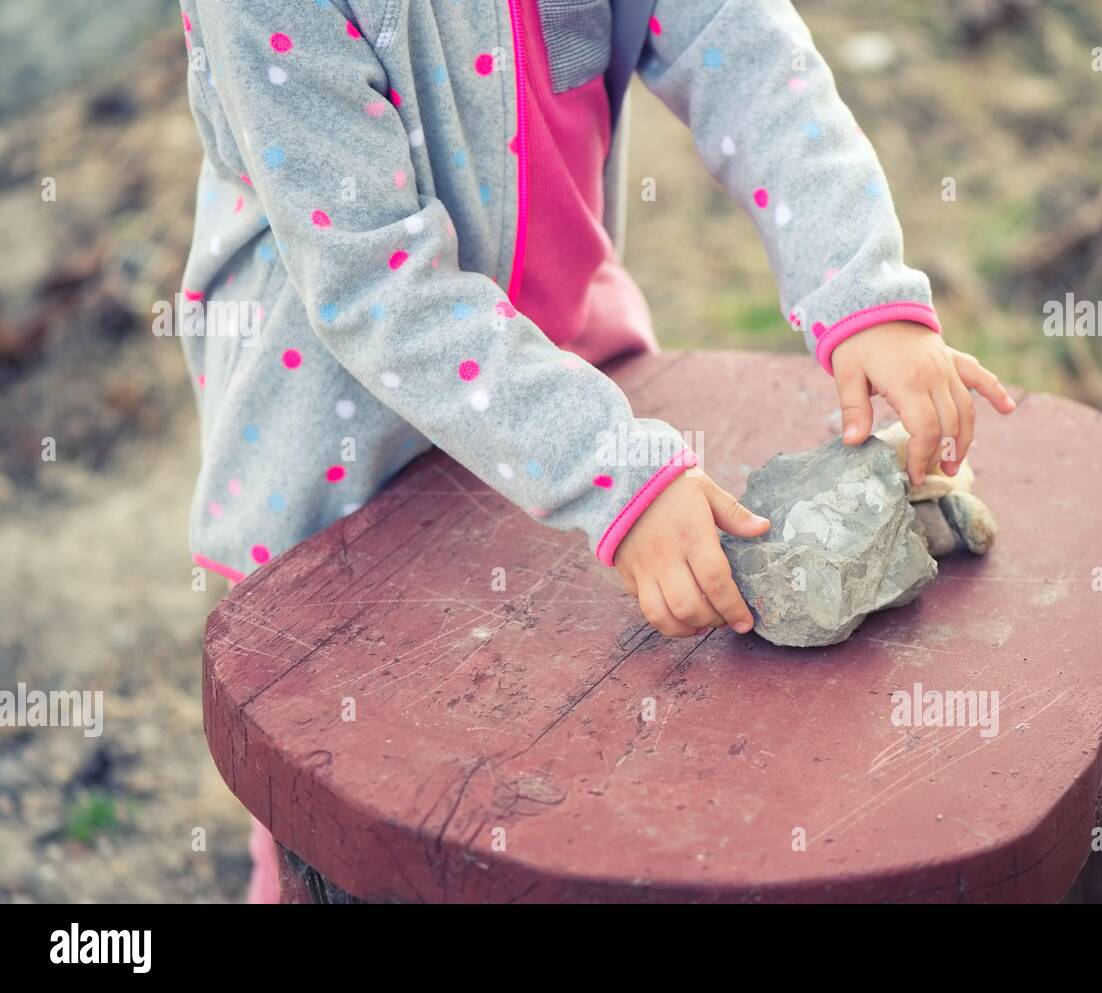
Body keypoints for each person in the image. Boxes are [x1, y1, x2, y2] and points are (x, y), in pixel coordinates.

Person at [177, 0, 1015, 902]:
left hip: (564, 344)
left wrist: (863, 290)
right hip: (344, 450)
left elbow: (741, 47)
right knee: (350, 794)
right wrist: (608, 466)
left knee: (562, 751)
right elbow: (373, 283)